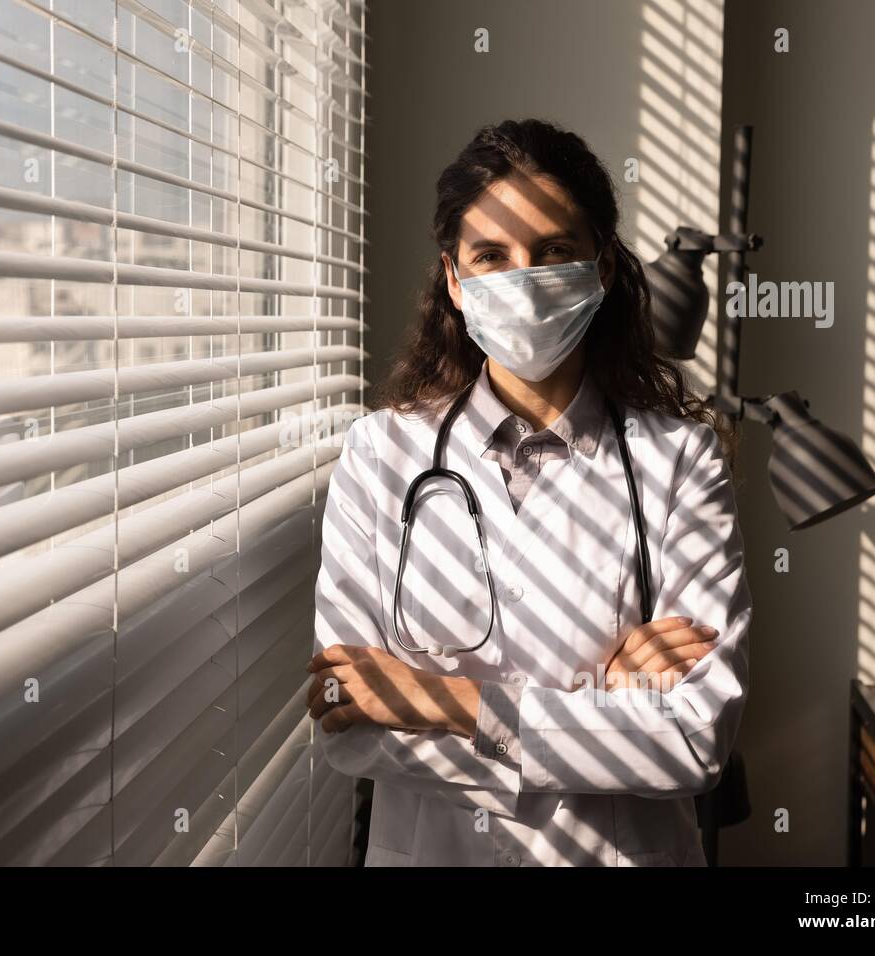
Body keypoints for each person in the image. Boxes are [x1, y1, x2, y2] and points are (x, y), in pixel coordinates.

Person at [306, 118, 751, 867]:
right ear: (454, 278)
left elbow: (694, 739)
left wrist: (440, 700)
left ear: (602, 268)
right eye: (491, 255)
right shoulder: (381, 454)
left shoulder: (680, 459)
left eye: (554, 252)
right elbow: (348, 726)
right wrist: (604, 715)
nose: (523, 277)